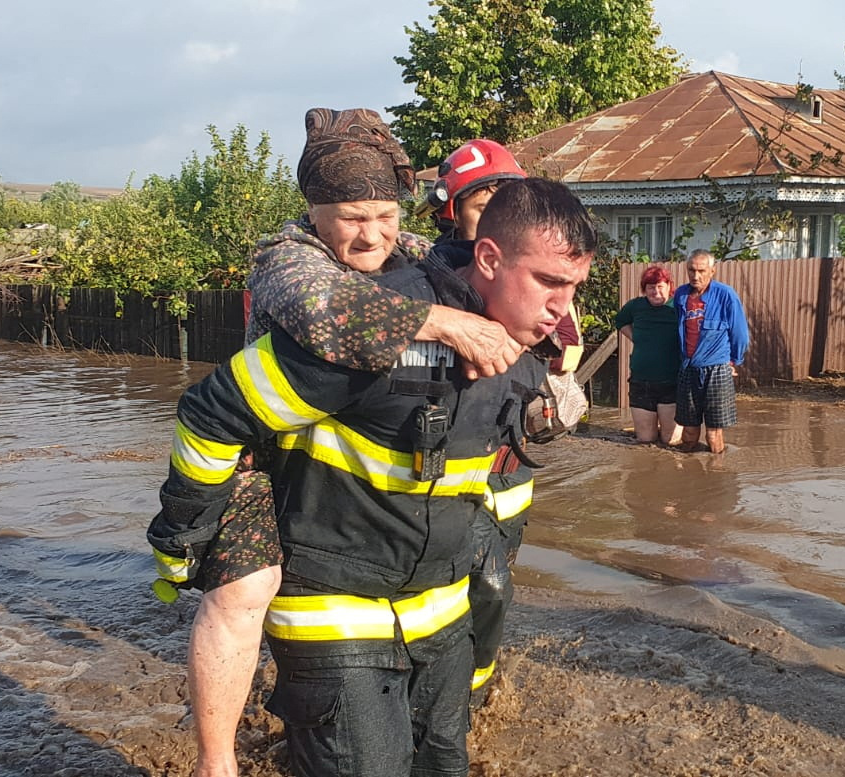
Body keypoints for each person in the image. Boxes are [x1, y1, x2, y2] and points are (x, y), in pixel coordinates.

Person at [152, 177, 597, 777]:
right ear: (489, 259)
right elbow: (212, 412)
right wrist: (186, 533)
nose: (562, 310)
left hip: (439, 611)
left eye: (573, 288)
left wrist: (551, 408)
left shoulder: (521, 340)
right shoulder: (373, 330)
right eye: (549, 282)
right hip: (334, 611)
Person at [423, 137, 576, 705]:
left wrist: (559, 395)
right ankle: (447, 695)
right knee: (473, 585)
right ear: (451, 210)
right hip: (444, 462)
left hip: (508, 469)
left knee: (495, 586)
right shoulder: (426, 279)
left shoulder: (540, 275)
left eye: (502, 195)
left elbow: (562, 343)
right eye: (478, 196)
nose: (491, 207)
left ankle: (472, 686)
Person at [673, 250, 748, 455]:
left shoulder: (726, 295)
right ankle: (687, 475)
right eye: (691, 270)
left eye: (701, 271)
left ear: (712, 271)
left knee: (713, 433)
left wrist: (733, 362)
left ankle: (716, 476)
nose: (695, 276)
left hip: (717, 369)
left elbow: (740, 334)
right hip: (688, 368)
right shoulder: (681, 295)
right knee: (688, 430)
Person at [615, 264, 682, 444]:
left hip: (672, 381)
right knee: (645, 440)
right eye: (650, 287)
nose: (656, 291)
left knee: (671, 441)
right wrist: (636, 337)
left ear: (669, 286)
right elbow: (620, 321)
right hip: (641, 381)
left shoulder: (679, 306)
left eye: (660, 286)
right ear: (644, 289)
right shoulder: (635, 306)